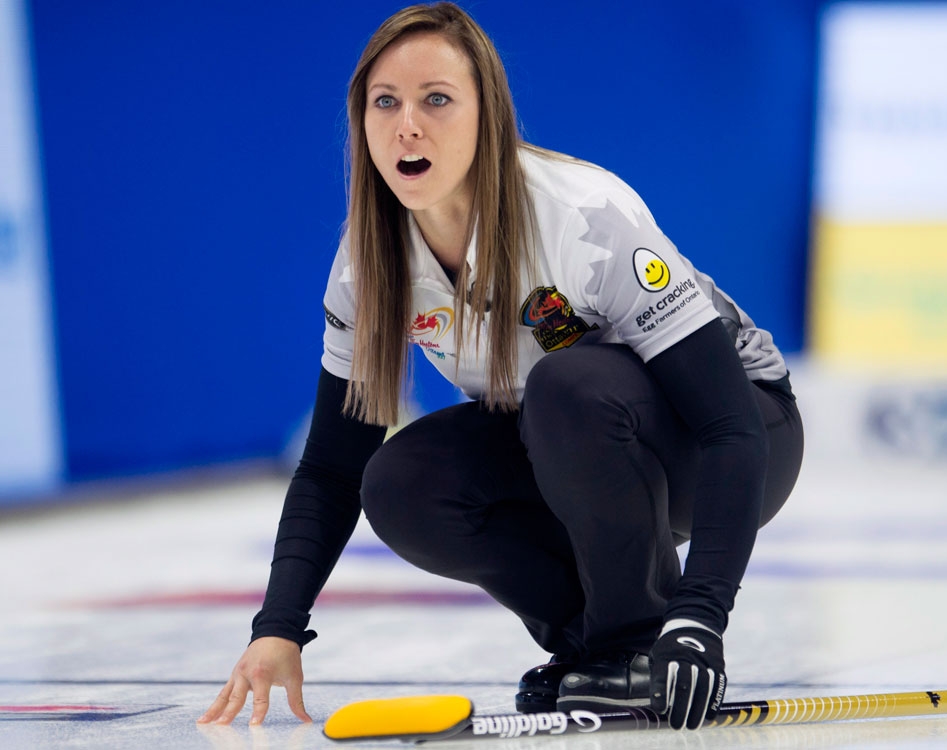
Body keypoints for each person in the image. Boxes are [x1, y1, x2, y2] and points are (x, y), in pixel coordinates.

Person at [198, 1, 803, 732]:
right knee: (401, 480)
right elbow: (332, 466)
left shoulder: (581, 217)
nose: (407, 126)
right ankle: (596, 650)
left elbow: (728, 424)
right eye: (384, 103)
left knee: (570, 383)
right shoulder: (367, 265)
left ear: (489, 116)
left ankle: (638, 641)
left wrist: (699, 618)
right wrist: (278, 626)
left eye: (437, 101)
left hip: (738, 436)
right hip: (570, 439)